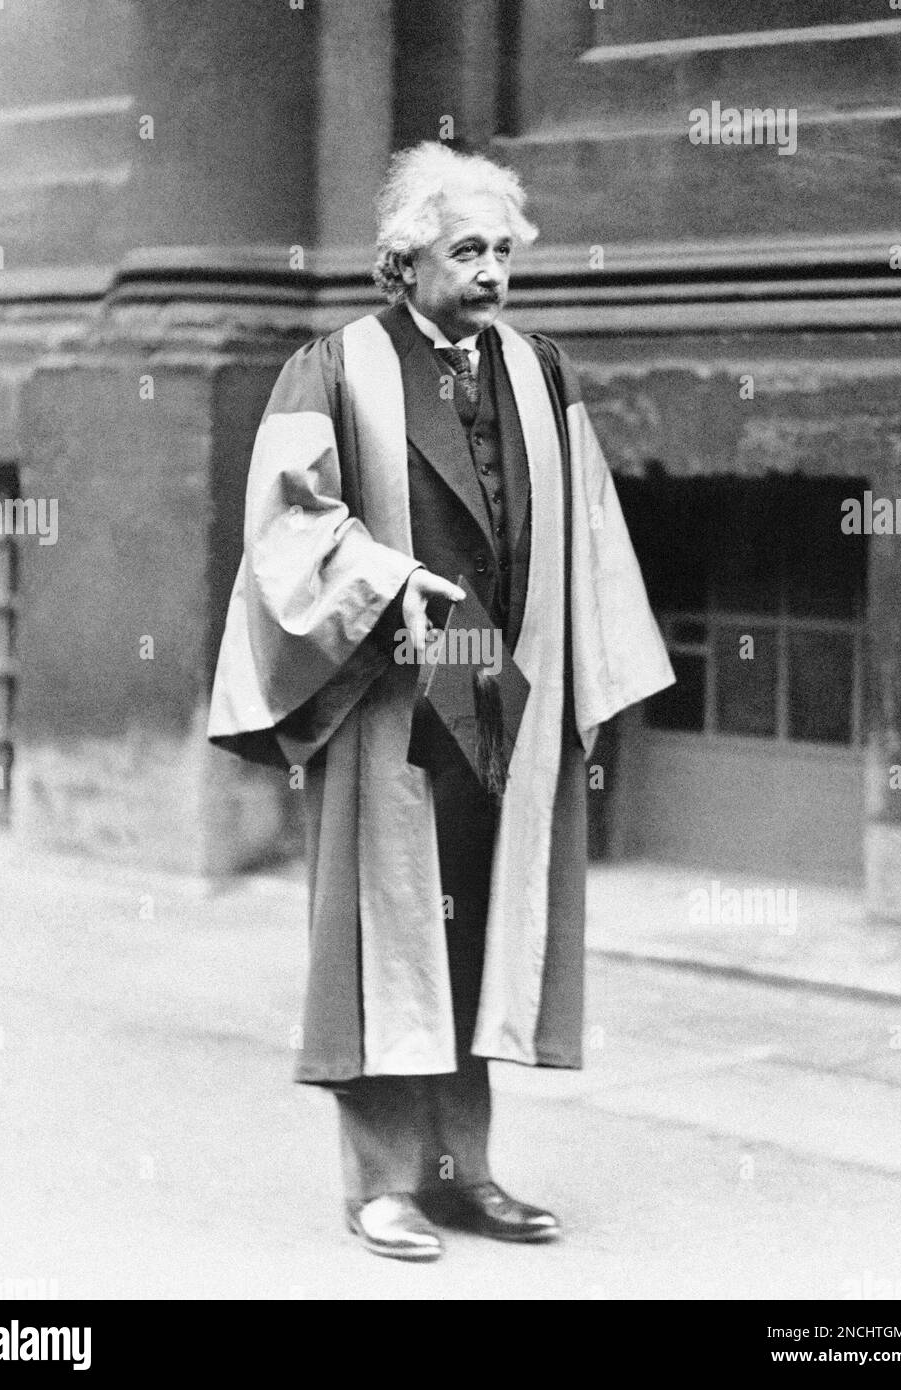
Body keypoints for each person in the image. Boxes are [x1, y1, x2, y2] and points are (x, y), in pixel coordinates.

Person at [207, 141, 674, 1261]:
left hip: (507, 692)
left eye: (503, 250)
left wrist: (592, 678)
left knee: (478, 934)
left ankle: (464, 1175)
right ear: (403, 259)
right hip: (392, 689)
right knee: (386, 942)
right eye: (468, 250)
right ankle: (381, 1186)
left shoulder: (541, 371)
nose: (493, 271)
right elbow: (289, 527)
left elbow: (588, 525)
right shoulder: (330, 368)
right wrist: (383, 579)